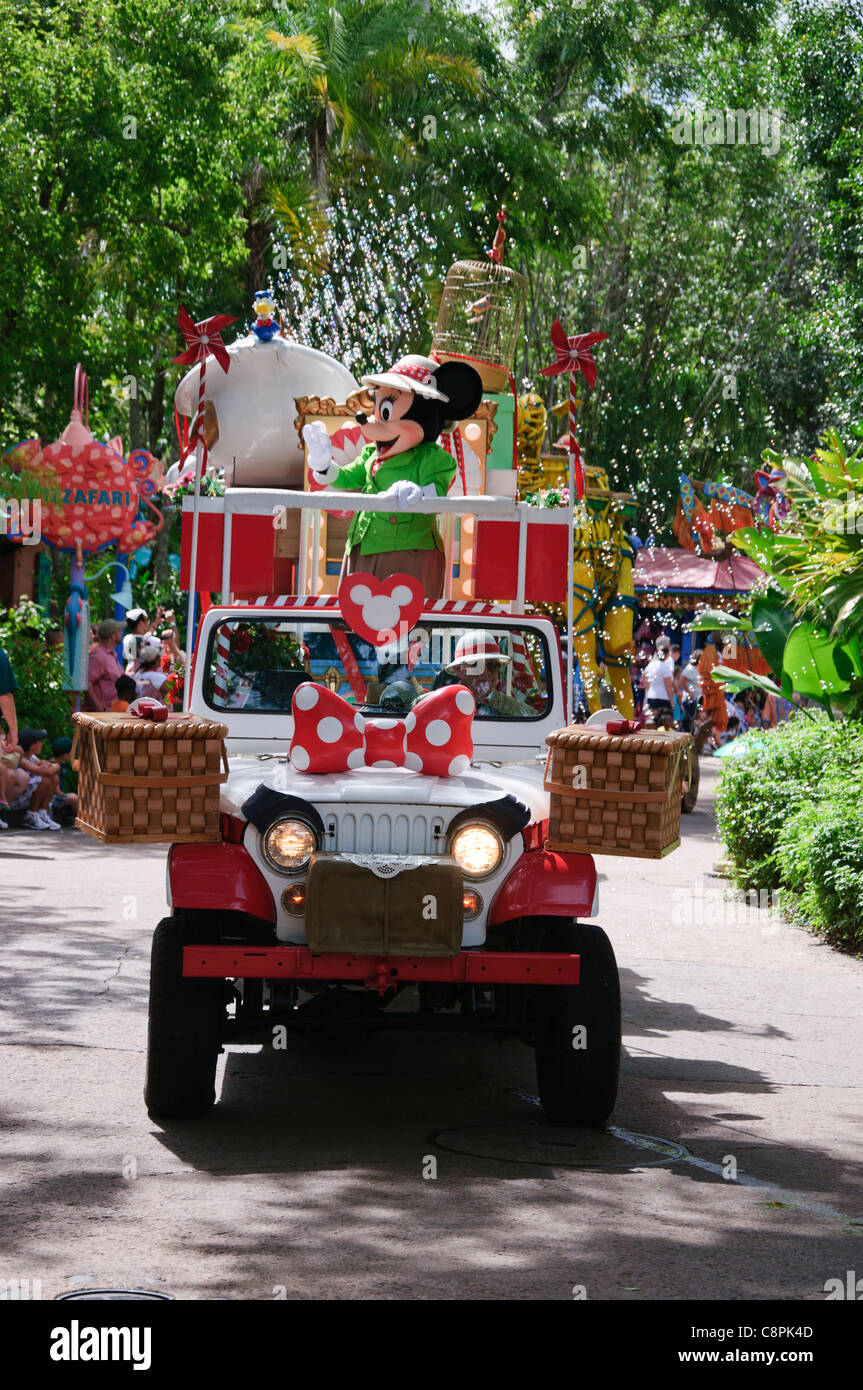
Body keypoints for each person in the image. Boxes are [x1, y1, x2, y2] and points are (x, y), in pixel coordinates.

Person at [443, 632, 534, 717]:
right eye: (476, 665)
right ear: (458, 669)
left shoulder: (521, 713)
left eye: (493, 665)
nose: (485, 672)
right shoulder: (441, 705)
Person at [5, 728, 62, 829]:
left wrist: (46, 764)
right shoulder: (22, 759)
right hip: (16, 801)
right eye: (39, 742)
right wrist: (56, 766)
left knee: (54, 778)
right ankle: (30, 816)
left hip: (26, 797)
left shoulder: (33, 757)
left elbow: (43, 765)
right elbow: (44, 771)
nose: (41, 744)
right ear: (32, 745)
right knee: (44, 779)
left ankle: (42, 813)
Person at [86, 619, 124, 711]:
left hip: (111, 711)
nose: (121, 632)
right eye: (119, 630)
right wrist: (99, 708)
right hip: (102, 715)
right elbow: (87, 683)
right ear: (113, 636)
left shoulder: (110, 654)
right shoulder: (98, 656)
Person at [642, 635, 675, 721]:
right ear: (666, 654)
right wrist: (672, 700)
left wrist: (649, 689)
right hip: (663, 698)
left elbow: (644, 676)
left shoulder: (651, 664)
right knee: (662, 724)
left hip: (650, 697)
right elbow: (668, 685)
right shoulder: (664, 666)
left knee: (653, 722)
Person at [134, 635, 169, 702]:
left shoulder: (137, 676)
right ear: (155, 660)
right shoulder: (158, 677)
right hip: (157, 712)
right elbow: (172, 690)